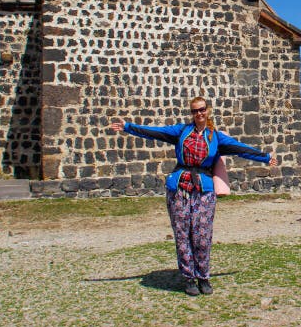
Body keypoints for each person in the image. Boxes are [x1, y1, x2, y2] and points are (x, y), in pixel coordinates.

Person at [110, 96, 278, 296]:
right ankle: (189, 278)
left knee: (202, 235)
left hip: (204, 190)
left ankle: (203, 277)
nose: (199, 113)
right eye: (194, 111)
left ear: (207, 110)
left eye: (202, 109)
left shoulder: (215, 137)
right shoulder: (181, 131)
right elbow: (155, 132)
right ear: (191, 113)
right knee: (182, 235)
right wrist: (128, 126)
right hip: (179, 189)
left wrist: (265, 157)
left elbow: (239, 148)